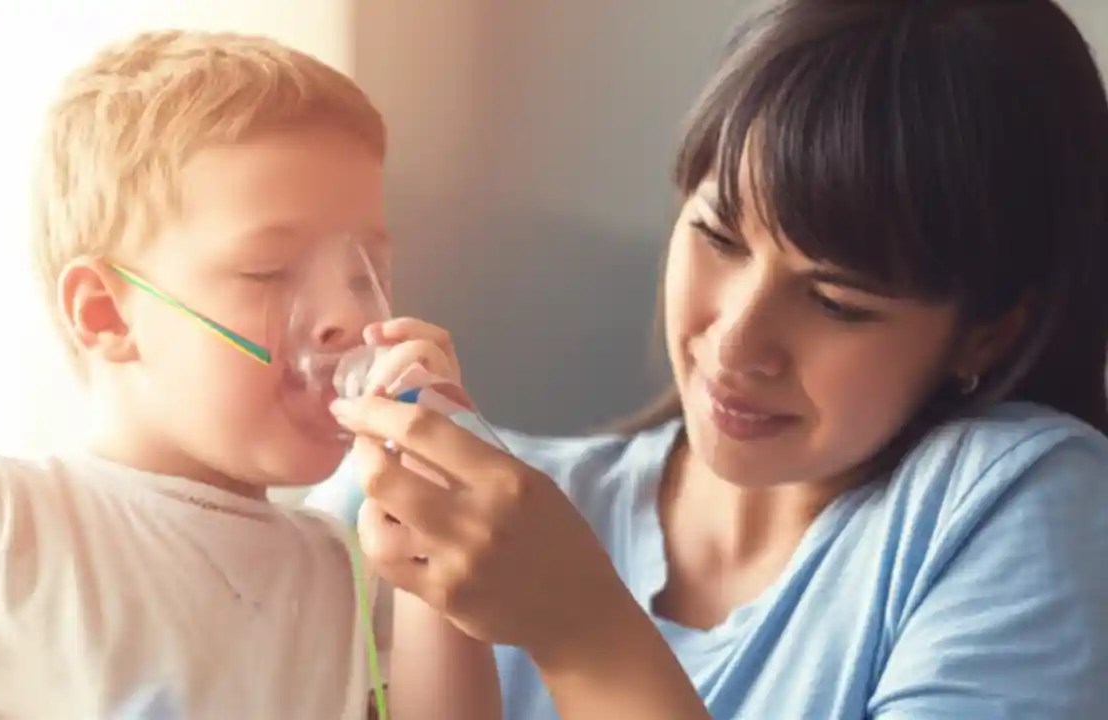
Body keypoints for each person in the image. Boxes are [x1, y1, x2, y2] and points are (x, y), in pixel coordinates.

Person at [312, 1, 1108, 718]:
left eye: (836, 303)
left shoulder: (1011, 502)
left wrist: (584, 631)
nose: (734, 343)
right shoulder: (436, 518)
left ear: (990, 332)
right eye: (717, 237)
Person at [0, 29, 459, 719]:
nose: (346, 313)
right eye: (268, 271)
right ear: (106, 315)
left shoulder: (353, 573)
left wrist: (438, 552)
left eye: (368, 273)